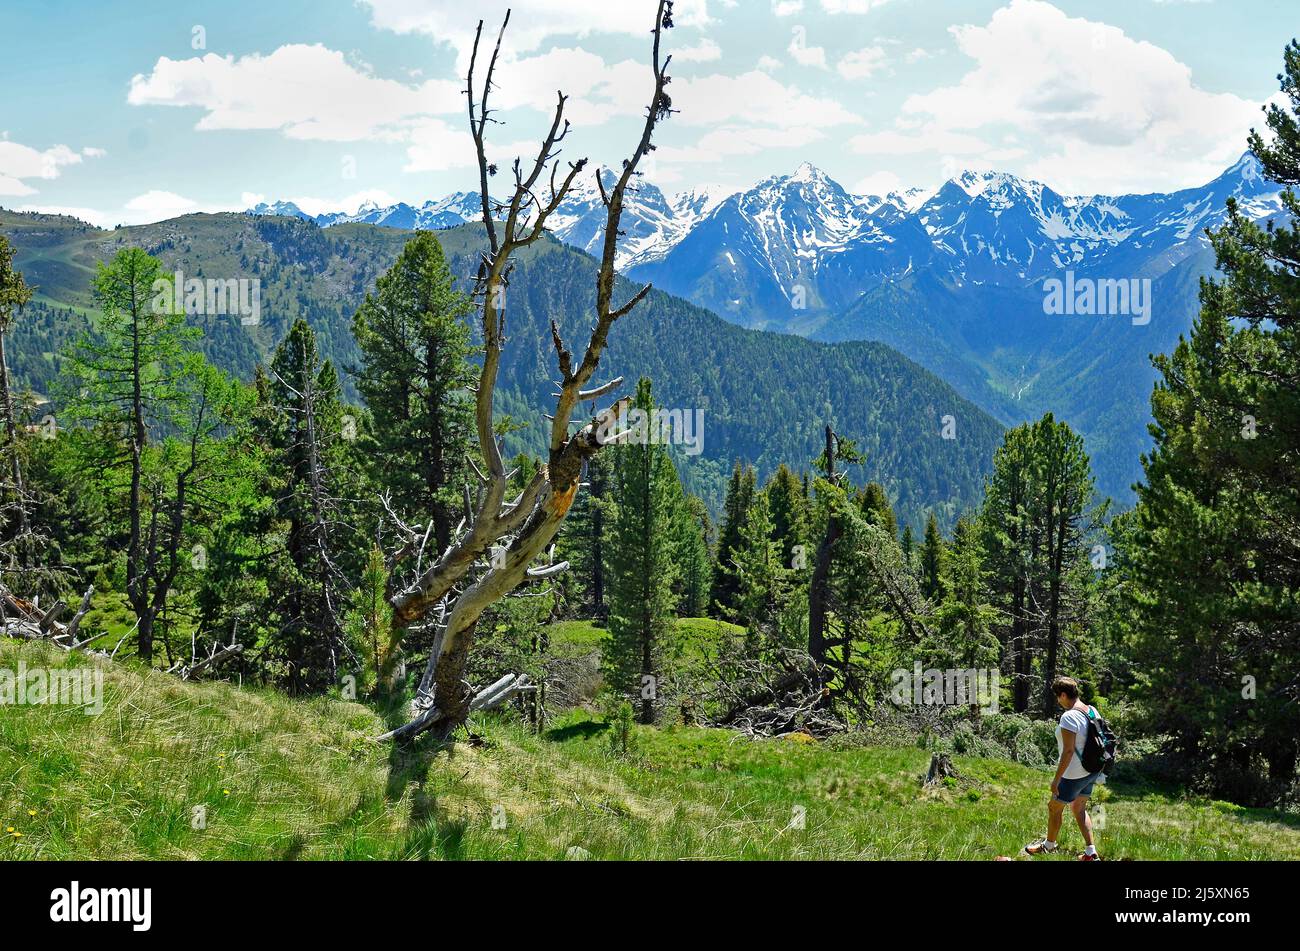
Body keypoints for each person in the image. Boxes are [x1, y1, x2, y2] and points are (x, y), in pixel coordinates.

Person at [1024, 676, 1103, 861]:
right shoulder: (1092, 710)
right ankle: (1091, 852)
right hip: (1092, 770)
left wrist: (1056, 779)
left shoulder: (1069, 717)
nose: (1058, 701)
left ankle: (1048, 846)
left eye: (1058, 697)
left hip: (1074, 773)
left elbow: (1068, 751)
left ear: (1064, 694)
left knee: (1054, 807)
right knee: (1079, 807)